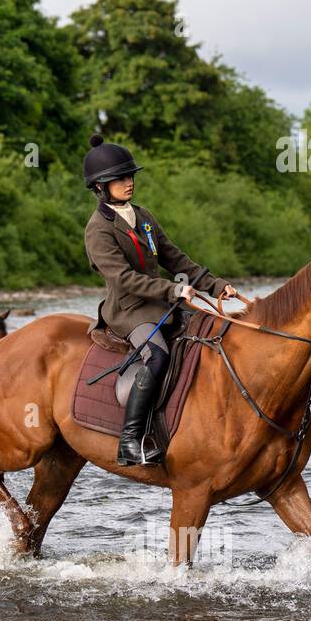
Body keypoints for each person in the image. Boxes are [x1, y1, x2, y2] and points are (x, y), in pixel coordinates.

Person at [82, 134, 237, 467]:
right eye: (119, 179)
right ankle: (131, 440)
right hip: (129, 310)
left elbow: (175, 258)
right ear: (100, 188)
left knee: (211, 340)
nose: (128, 183)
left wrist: (216, 285)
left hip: (164, 303)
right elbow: (122, 278)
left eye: (130, 176)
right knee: (157, 356)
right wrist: (172, 290)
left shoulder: (144, 216)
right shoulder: (98, 229)